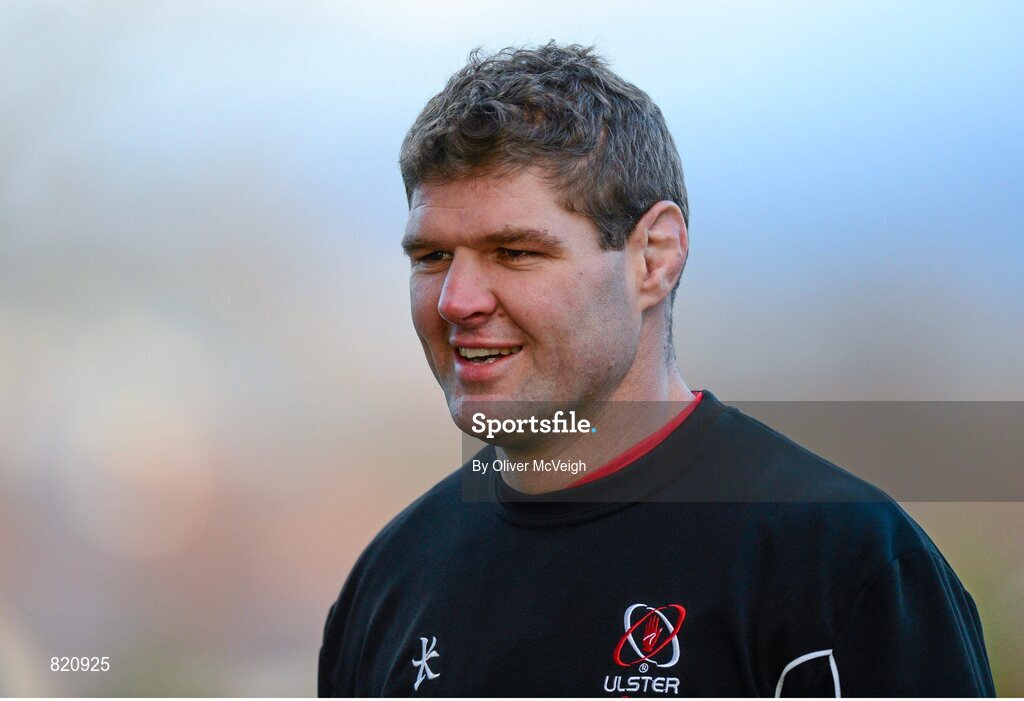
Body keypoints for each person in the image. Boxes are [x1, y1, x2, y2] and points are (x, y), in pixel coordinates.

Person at [318, 42, 994, 697]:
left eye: (515, 252)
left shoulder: (840, 565)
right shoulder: (390, 580)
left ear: (654, 258)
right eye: (432, 256)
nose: (456, 300)